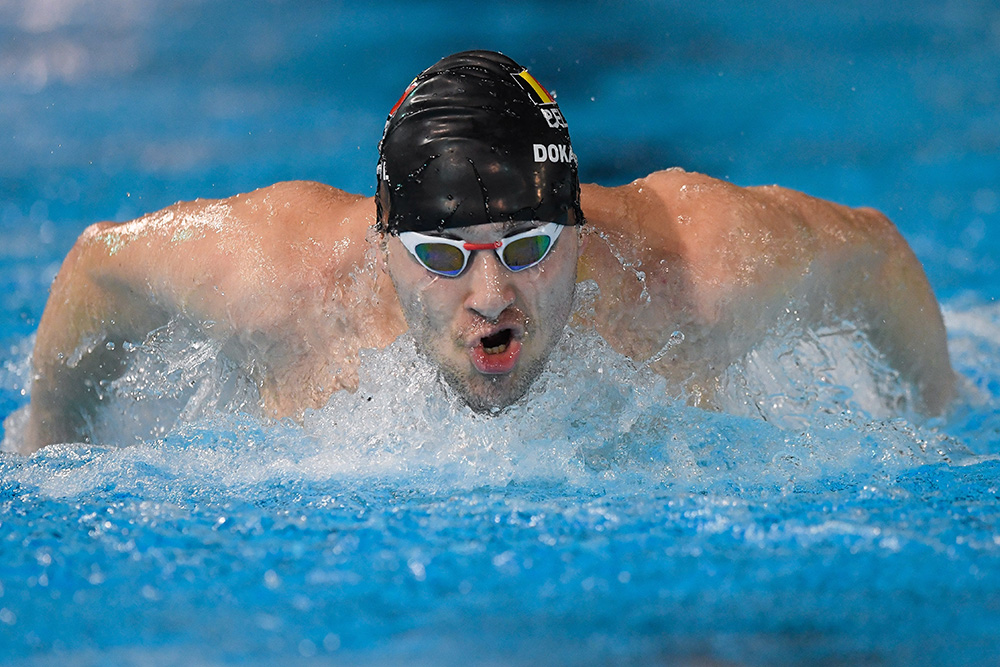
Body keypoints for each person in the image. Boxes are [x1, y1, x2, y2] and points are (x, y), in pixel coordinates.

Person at [21, 50, 954, 452]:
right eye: (442, 255)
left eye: (531, 244)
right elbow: (100, 264)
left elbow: (876, 255)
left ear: (580, 226)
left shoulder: (699, 276)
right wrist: (48, 439)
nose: (492, 294)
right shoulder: (276, 284)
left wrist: (942, 414)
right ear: (385, 244)